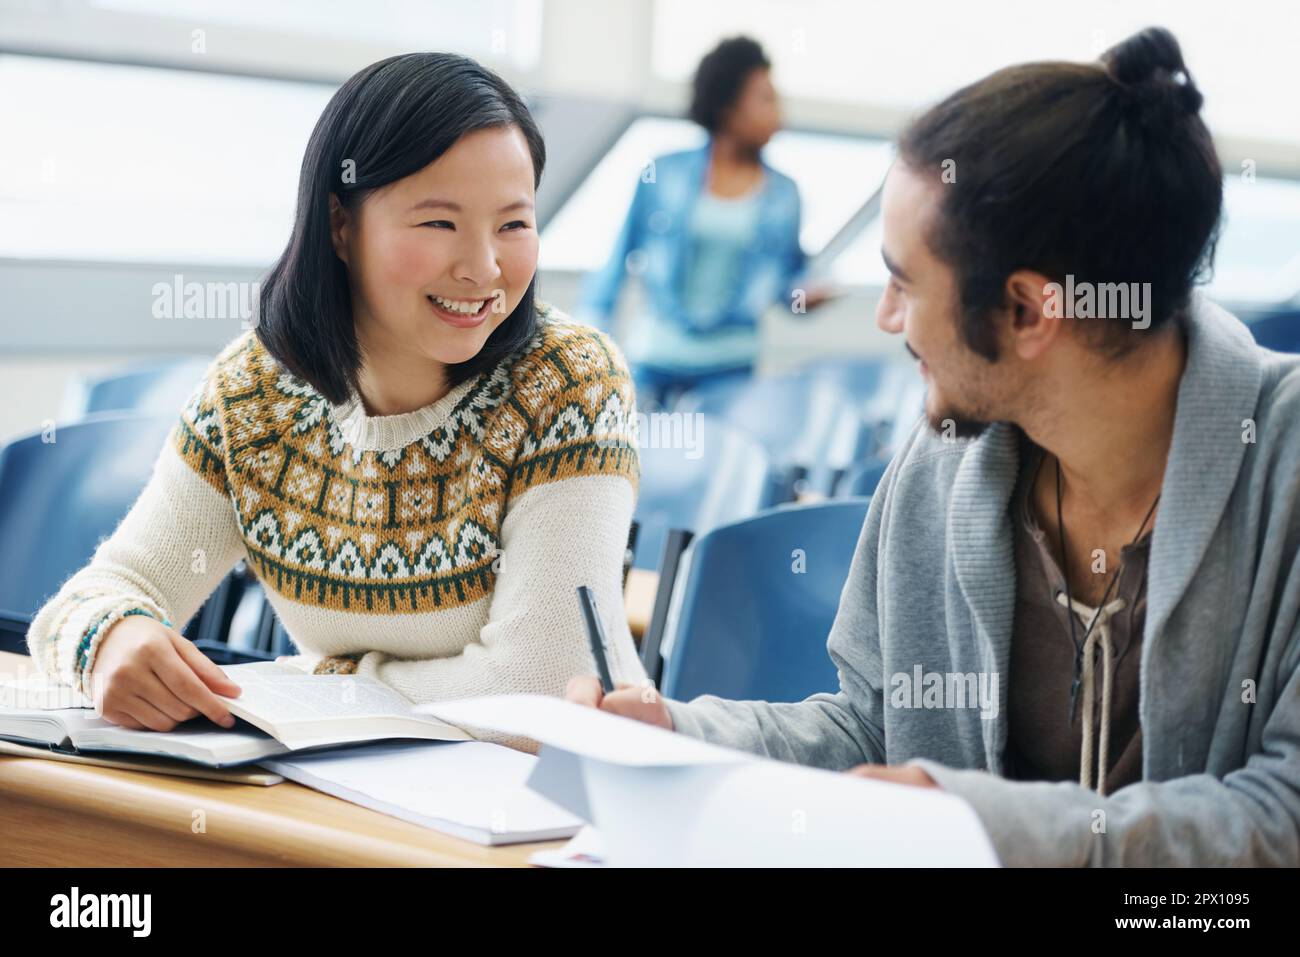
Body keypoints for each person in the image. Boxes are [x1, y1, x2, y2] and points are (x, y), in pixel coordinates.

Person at [568, 27, 1300, 865]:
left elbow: (1284, 816)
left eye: (904, 283)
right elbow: (871, 727)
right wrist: (679, 733)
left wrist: (975, 821)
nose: (885, 318)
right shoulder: (941, 455)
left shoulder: (1284, 464)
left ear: (1026, 313)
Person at [28, 52, 645, 752]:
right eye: (439, 224)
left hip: (545, 815)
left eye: (514, 224)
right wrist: (111, 637)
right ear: (341, 224)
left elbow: (540, 690)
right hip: (345, 792)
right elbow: (101, 591)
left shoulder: (567, 382)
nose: (483, 266)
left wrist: (319, 680)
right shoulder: (255, 393)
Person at [579, 36, 832, 412]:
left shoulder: (785, 194)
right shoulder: (662, 173)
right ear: (728, 106)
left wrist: (805, 297)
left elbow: (787, 284)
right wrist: (587, 351)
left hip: (731, 368)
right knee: (642, 466)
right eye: (766, 99)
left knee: (717, 465)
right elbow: (617, 264)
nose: (780, 115)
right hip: (654, 360)